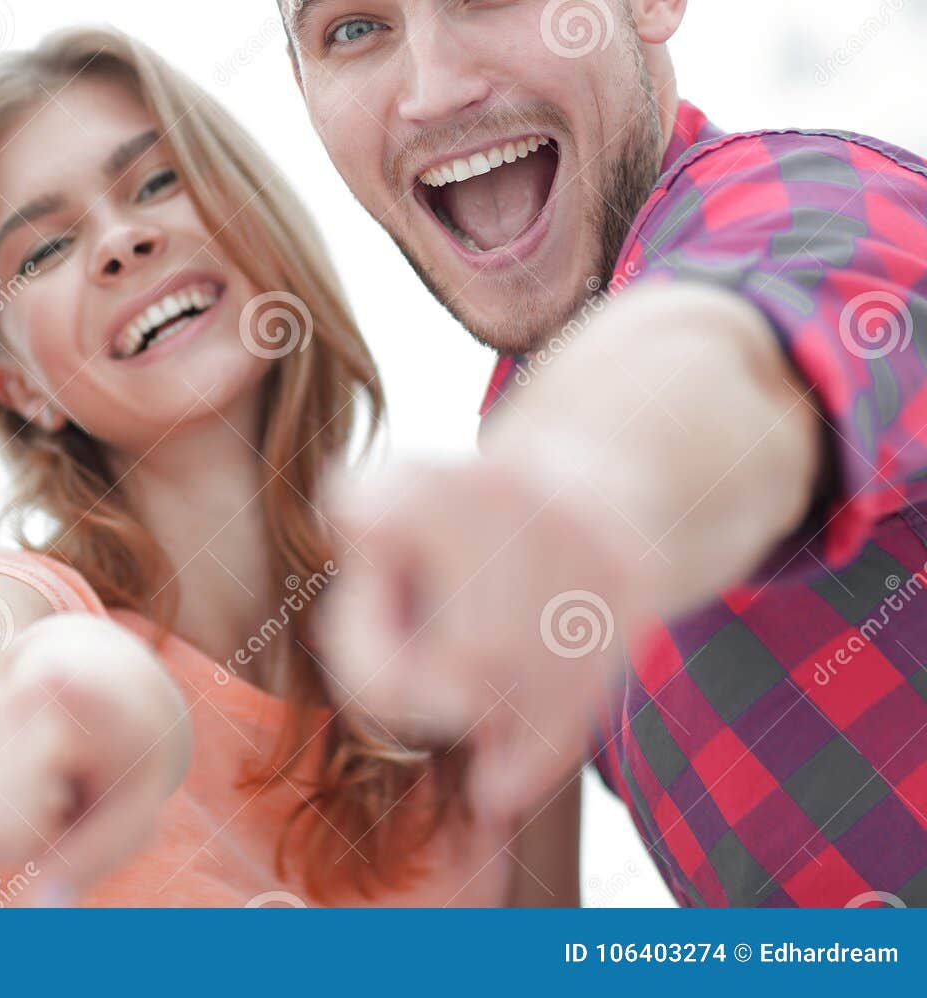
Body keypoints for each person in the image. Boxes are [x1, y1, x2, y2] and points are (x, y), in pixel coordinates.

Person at [0, 26, 579, 907]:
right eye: (43, 250)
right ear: (19, 388)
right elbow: (12, 662)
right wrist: (78, 690)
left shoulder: (466, 638)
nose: (120, 242)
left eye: (157, 182)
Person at [283, 0, 927, 905]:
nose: (432, 92)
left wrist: (579, 492)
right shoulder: (512, 433)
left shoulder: (813, 199)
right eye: (353, 29)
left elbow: (727, 353)